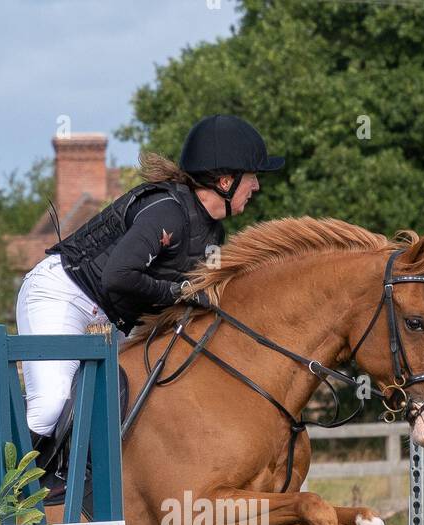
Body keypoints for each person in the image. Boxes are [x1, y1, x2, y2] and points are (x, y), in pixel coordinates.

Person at [16, 114, 284, 437]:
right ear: (225, 181)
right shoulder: (166, 211)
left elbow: (202, 298)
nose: (256, 185)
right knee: (51, 408)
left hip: (108, 319)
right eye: (252, 176)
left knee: (138, 408)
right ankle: (3, 483)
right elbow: (119, 276)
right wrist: (179, 291)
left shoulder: (213, 236)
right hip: (62, 293)